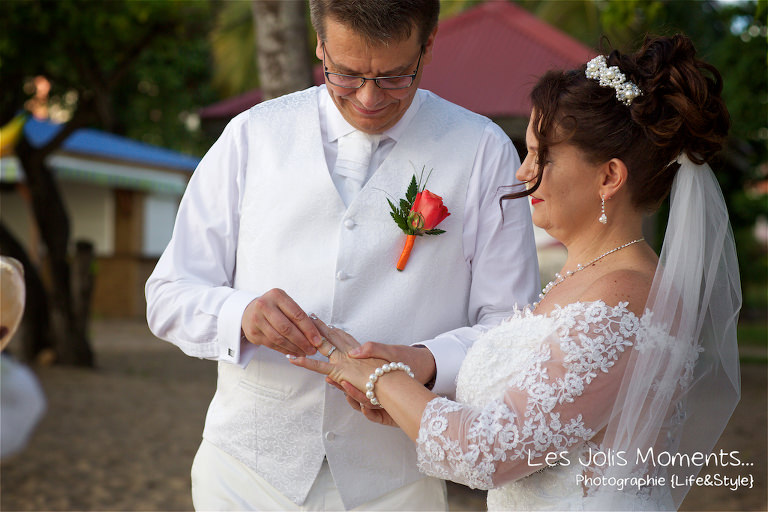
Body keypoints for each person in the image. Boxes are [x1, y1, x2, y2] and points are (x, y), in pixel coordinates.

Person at [291, 34, 741, 510]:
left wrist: (382, 378)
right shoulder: (586, 281)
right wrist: (407, 407)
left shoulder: (625, 298)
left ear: (609, 176)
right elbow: (533, 426)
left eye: (542, 156)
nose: (524, 173)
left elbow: (488, 454)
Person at [145, 0, 539, 509]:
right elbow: (168, 294)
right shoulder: (251, 136)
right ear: (320, 45)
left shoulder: (482, 150)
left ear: (428, 44)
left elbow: (510, 329)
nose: (369, 98)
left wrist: (424, 362)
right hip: (244, 473)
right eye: (347, 75)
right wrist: (239, 315)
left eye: (394, 77)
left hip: (397, 483)